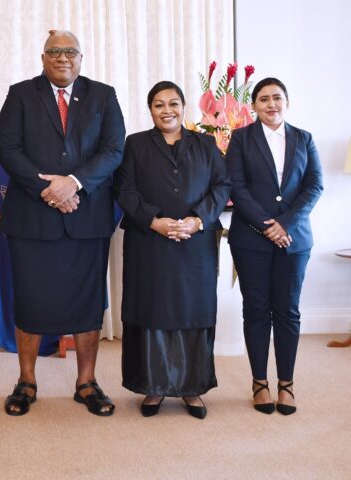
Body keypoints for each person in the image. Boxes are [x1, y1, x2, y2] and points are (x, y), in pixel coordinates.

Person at [0, 30, 125, 416]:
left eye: (70, 52)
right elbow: (9, 149)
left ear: (81, 58)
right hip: (33, 218)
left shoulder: (104, 95)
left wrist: (74, 184)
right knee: (31, 302)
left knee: (88, 304)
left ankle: (87, 383)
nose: (62, 58)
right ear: (43, 58)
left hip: (87, 218)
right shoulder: (21, 94)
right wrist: (48, 190)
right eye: (55, 52)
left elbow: (114, 148)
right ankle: (26, 382)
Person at [115, 81, 230, 419]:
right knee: (152, 310)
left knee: (192, 311)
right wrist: (154, 221)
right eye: (159, 105)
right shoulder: (134, 144)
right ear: (150, 110)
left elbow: (222, 185)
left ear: (183, 107)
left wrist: (198, 220)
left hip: (195, 244)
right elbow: (124, 189)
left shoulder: (206, 144)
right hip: (149, 242)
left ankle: (192, 388)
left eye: (174, 103)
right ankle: (154, 386)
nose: (167, 110)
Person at [227, 77, 323, 415]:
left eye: (277, 98)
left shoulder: (304, 138)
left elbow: (314, 186)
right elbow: (236, 188)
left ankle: (286, 385)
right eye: (264, 99)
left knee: (287, 311)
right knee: (256, 309)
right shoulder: (240, 139)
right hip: (251, 239)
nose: (271, 104)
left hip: (294, 241)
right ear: (253, 106)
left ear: (287, 102)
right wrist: (269, 226)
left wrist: (286, 224)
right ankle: (259, 384)